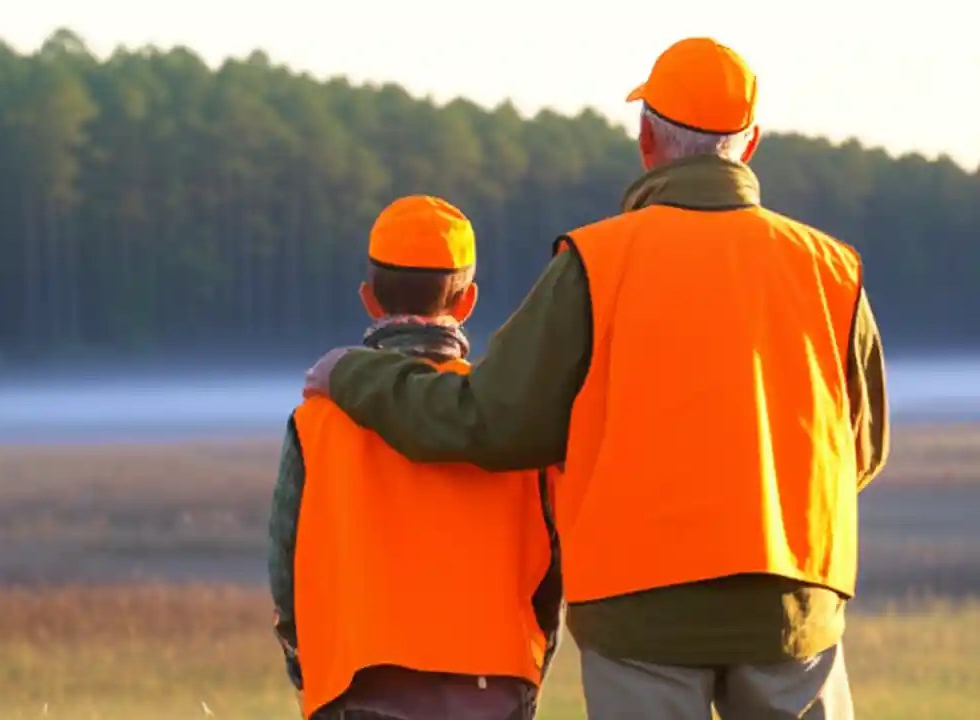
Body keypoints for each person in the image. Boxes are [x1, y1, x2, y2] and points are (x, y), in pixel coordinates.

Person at [303, 38, 889, 720]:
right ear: (751, 143)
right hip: (796, 606)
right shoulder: (830, 270)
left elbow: (491, 421)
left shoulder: (597, 264)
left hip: (639, 615)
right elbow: (861, 450)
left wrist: (357, 376)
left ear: (645, 139)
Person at [269, 195, 564, 720]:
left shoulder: (317, 422)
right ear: (468, 300)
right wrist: (528, 675)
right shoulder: (510, 419)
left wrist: (308, 672)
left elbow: (287, 569)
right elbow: (551, 571)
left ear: (369, 299)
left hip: (356, 685)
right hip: (492, 685)